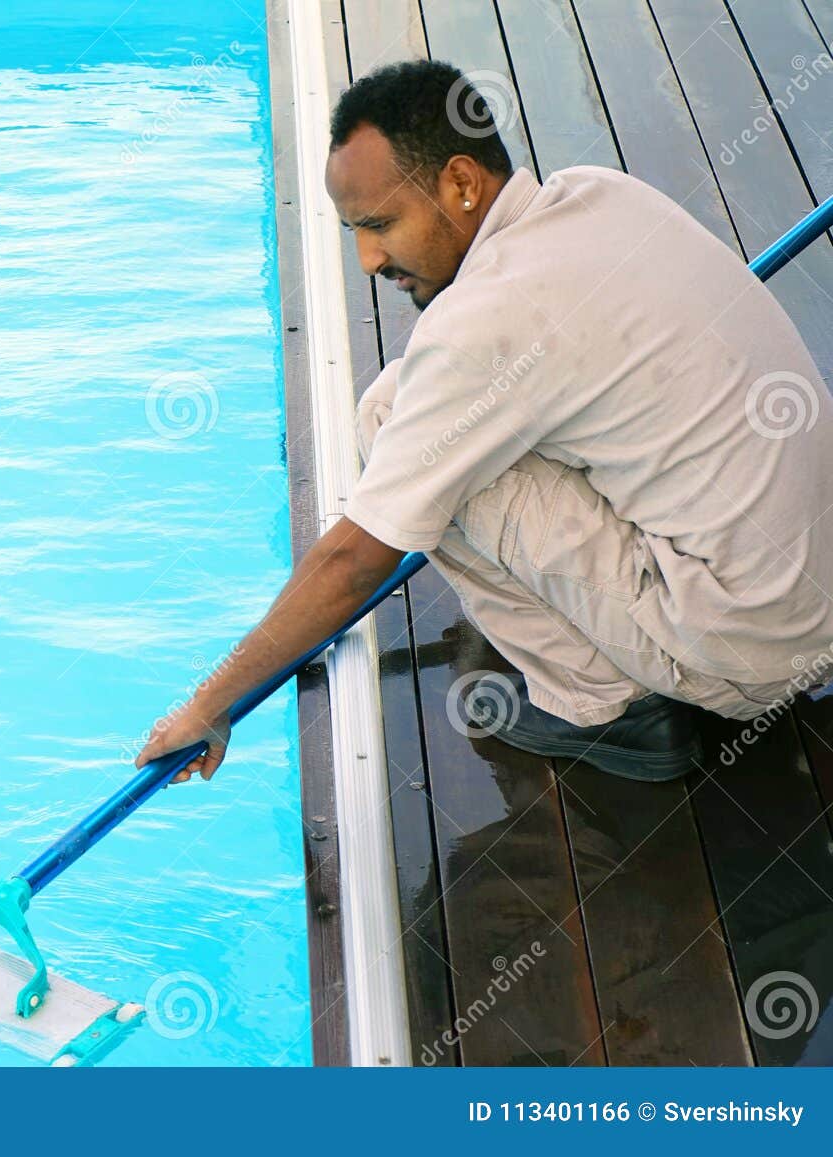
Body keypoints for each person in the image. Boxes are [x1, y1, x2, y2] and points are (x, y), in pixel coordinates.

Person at [135, 59, 833, 784]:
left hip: (756, 645)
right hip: (808, 582)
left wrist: (211, 702)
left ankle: (608, 707)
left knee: (406, 438)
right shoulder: (600, 191)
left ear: (463, 185)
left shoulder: (484, 323)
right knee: (406, 408)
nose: (369, 257)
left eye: (380, 225)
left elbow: (352, 562)